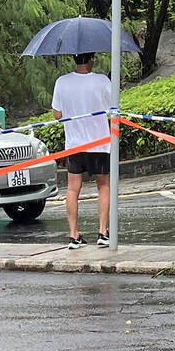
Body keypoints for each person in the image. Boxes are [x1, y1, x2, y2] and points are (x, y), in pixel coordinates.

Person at [51, 52, 114, 248]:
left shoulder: (62, 82)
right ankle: (103, 232)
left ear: (75, 59)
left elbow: (57, 114)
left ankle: (73, 235)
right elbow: (114, 108)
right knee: (103, 186)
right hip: (99, 143)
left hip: (74, 144)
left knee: (72, 189)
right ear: (91, 59)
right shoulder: (102, 80)